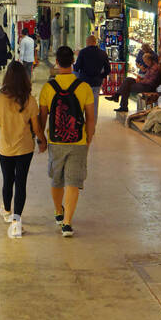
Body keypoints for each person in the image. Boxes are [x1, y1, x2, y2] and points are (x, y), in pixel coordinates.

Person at [39, 45, 96, 237]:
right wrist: (88, 139)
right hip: (77, 141)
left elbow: (43, 116)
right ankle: (67, 223)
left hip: (56, 140)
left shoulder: (48, 88)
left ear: (56, 62)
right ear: (73, 62)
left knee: (57, 179)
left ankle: (58, 211)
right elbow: (90, 117)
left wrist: (42, 139)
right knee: (73, 181)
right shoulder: (84, 87)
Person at [0, 61, 47, 238]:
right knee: (21, 182)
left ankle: (6, 211)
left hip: (5, 148)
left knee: (8, 180)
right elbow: (37, 128)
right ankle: (16, 222)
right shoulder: (30, 100)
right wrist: (43, 141)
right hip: (24, 148)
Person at [73, 34, 111, 120]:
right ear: (95, 42)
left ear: (87, 42)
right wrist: (101, 76)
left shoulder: (83, 52)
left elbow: (77, 67)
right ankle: (92, 126)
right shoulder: (103, 53)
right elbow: (108, 70)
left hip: (84, 82)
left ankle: (80, 123)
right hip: (96, 83)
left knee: (81, 104)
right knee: (94, 105)